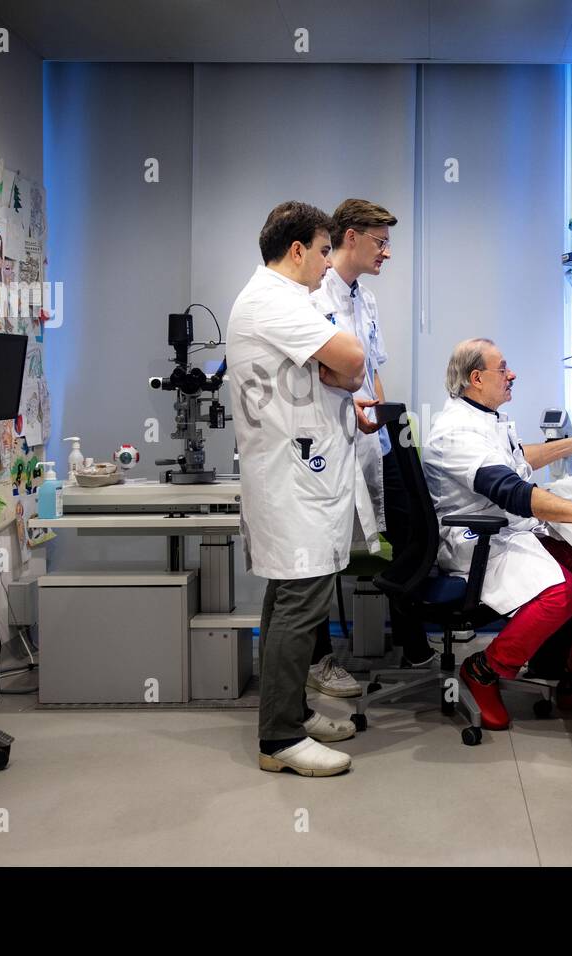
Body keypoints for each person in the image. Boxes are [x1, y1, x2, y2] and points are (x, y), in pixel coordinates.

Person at [227, 201, 374, 777]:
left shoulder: (285, 302)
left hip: (300, 475)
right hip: (293, 481)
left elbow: (339, 375)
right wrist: (335, 372)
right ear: (298, 251)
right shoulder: (273, 301)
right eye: (321, 251)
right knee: (297, 602)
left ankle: (289, 712)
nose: (325, 264)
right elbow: (353, 360)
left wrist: (333, 379)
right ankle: (279, 738)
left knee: (290, 598)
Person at [422, 338, 572, 731]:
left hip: (510, 532)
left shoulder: (483, 417)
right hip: (479, 542)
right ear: (476, 378)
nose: (512, 374)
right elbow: (512, 491)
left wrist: (570, 445)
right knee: (564, 591)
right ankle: (484, 669)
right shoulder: (455, 430)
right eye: (503, 368)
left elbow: (515, 457)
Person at [304, 199, 437, 697]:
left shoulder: (366, 299)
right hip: (332, 444)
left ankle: (411, 638)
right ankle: (318, 659)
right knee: (322, 552)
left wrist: (378, 413)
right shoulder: (314, 297)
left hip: (373, 439)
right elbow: (324, 373)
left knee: (413, 528)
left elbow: (371, 370)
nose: (387, 253)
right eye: (381, 243)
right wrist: (355, 408)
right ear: (352, 238)